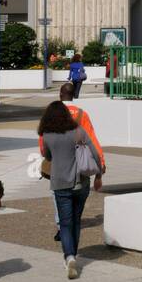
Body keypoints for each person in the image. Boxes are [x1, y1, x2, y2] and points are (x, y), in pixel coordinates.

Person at [38, 100, 105, 280]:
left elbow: (46, 155)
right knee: (76, 220)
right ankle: (72, 255)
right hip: (81, 183)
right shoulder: (78, 131)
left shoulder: (47, 135)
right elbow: (95, 154)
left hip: (60, 183)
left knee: (65, 223)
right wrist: (99, 175)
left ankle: (69, 257)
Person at [39, 83, 106, 241]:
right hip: (77, 162)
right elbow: (92, 140)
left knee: (57, 193)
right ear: (73, 95)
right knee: (77, 191)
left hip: (57, 161)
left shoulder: (52, 113)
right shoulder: (82, 114)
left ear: (60, 95)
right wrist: (100, 164)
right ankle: (70, 226)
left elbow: (43, 139)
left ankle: (61, 226)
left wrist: (45, 154)